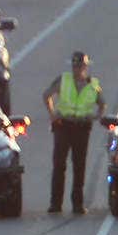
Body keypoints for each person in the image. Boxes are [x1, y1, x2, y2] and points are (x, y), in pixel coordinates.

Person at [43, 50, 104, 216]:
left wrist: (95, 116)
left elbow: (102, 103)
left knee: (79, 166)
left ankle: (78, 204)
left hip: (82, 128)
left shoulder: (92, 84)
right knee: (59, 165)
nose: (78, 69)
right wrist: (53, 114)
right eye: (75, 66)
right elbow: (46, 95)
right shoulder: (64, 80)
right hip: (63, 126)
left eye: (81, 66)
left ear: (86, 66)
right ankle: (55, 203)